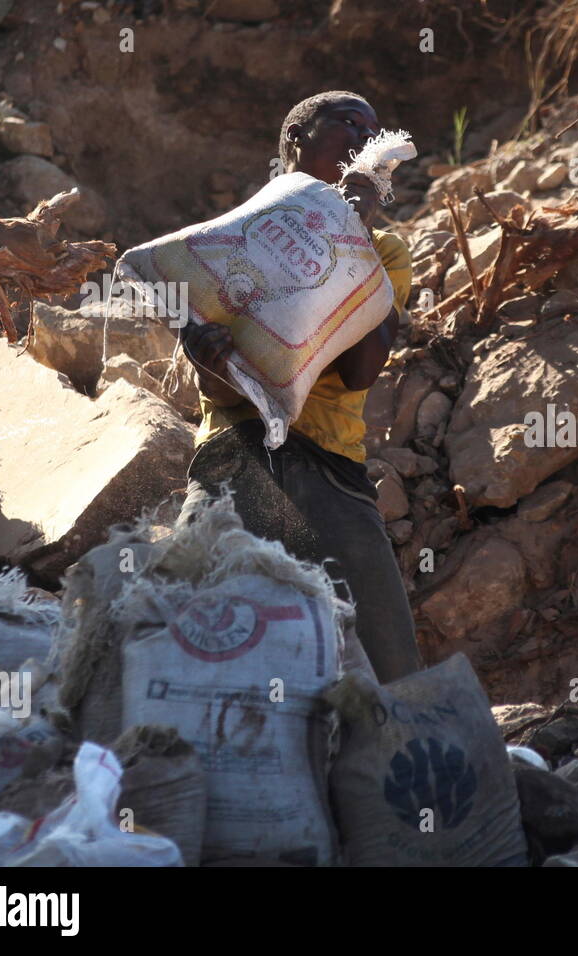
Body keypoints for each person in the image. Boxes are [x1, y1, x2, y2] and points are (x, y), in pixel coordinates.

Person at [175, 90, 421, 683]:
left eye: (375, 130)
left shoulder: (384, 251)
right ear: (295, 144)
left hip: (330, 475)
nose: (366, 139)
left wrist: (348, 231)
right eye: (347, 124)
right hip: (233, 467)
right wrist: (206, 355)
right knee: (185, 653)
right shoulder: (231, 238)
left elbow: (360, 369)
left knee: (394, 674)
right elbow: (217, 379)